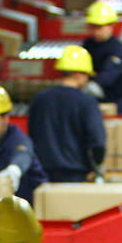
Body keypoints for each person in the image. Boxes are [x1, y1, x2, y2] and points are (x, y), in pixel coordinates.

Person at [26, 45, 108, 183]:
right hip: (75, 175)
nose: (87, 80)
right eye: (87, 75)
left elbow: (32, 134)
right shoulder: (87, 102)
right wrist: (95, 165)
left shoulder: (39, 99)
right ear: (78, 74)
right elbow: (98, 141)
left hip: (41, 174)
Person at [81, 0, 122, 115]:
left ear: (111, 25)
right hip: (95, 101)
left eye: (100, 27)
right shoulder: (88, 45)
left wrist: (93, 84)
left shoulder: (118, 49)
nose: (96, 32)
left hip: (118, 104)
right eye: (93, 27)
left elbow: (109, 75)